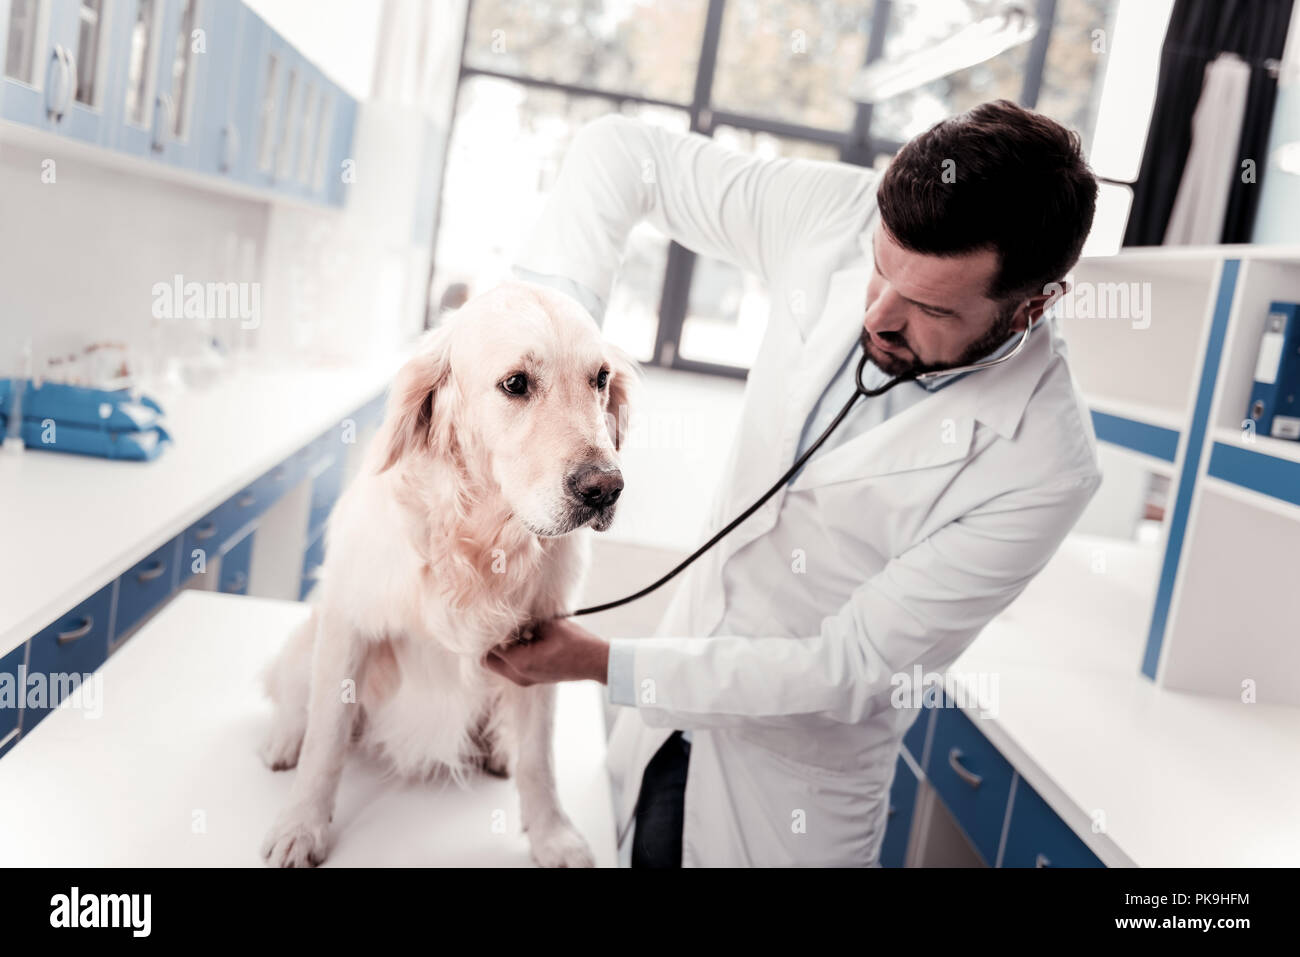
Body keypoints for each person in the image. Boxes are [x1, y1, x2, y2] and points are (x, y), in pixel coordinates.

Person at [485, 99, 1102, 867]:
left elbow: (846, 669)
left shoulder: (1044, 464)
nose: (877, 314)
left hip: (792, 794)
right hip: (658, 731)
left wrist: (602, 662)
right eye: (880, 266)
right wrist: (546, 352)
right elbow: (619, 152)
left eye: (930, 307)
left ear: (1032, 306)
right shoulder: (835, 213)